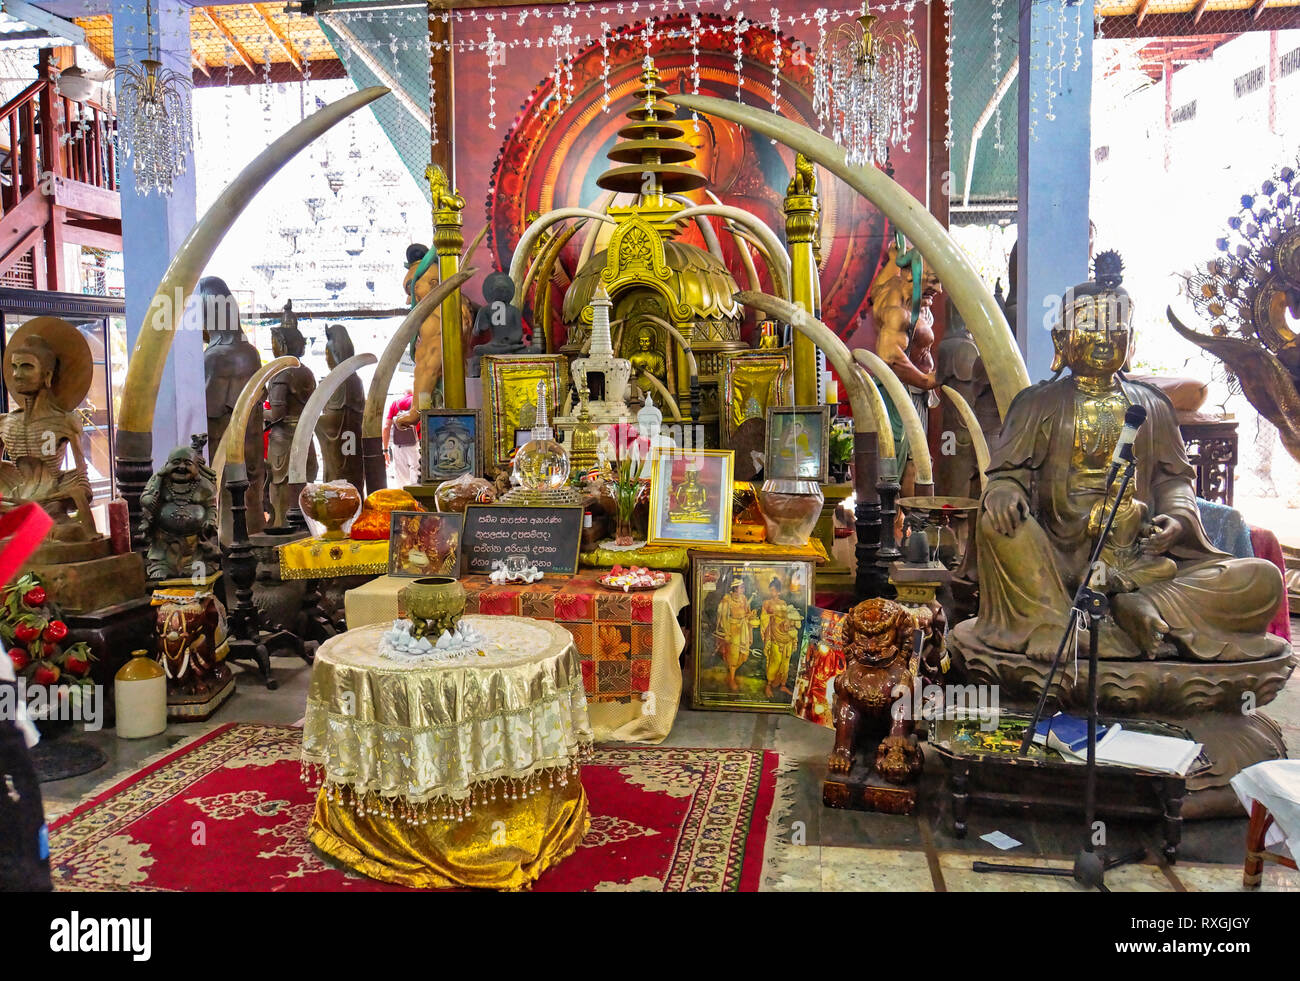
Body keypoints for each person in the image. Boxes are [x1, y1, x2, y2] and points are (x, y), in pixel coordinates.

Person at [761, 577, 802, 699]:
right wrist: (772, 617)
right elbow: (764, 619)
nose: (772, 593)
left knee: (785, 663)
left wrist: (790, 623)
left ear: (778, 591)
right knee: (775, 661)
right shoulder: (766, 603)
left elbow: (788, 617)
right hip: (774, 635)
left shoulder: (784, 603)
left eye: (774, 590)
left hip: (786, 636)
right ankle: (768, 685)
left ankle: (783, 685)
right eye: (770, 590)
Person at [714, 580, 753, 692]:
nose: (743, 589)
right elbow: (723, 617)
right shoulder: (727, 599)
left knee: (744, 655)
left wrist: (750, 614)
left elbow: (746, 612)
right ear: (735, 588)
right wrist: (727, 632)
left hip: (743, 628)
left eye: (743, 587)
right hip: (733, 629)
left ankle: (730, 675)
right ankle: (731, 679)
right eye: (741, 587)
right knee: (734, 655)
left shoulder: (744, 598)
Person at [383, 391, 420, 487]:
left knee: (400, 475)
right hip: (414, 445)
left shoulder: (395, 404)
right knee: (416, 471)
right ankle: (416, 499)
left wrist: (385, 450)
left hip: (398, 446)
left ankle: (403, 499)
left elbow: (386, 427)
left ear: (404, 393)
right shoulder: (415, 402)